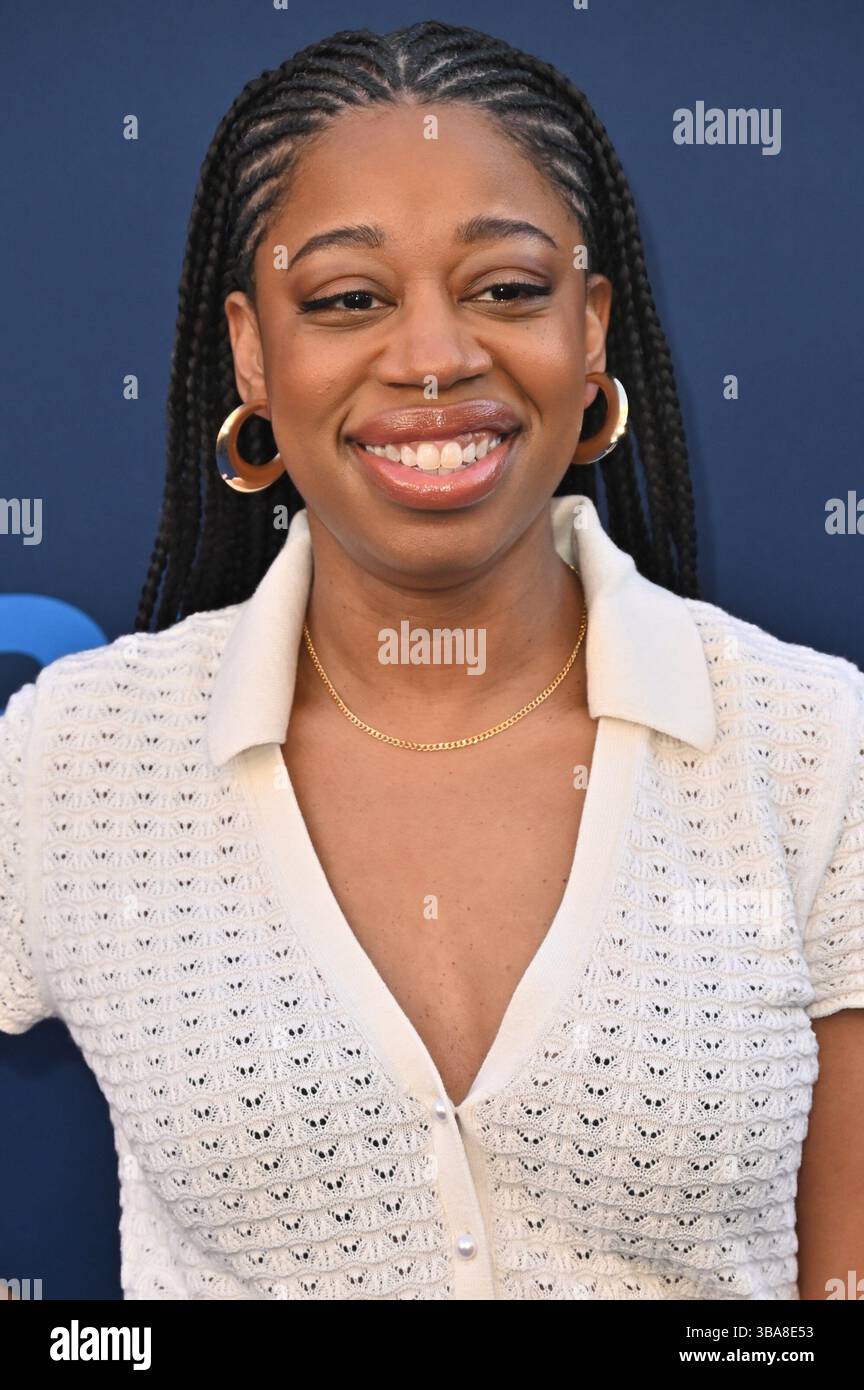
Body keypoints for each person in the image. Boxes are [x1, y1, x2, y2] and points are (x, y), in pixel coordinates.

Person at [2, 20, 862, 1302]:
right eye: (347, 299)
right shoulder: (78, 755)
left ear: (593, 329)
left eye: (507, 290)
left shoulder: (808, 743)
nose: (433, 358)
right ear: (251, 350)